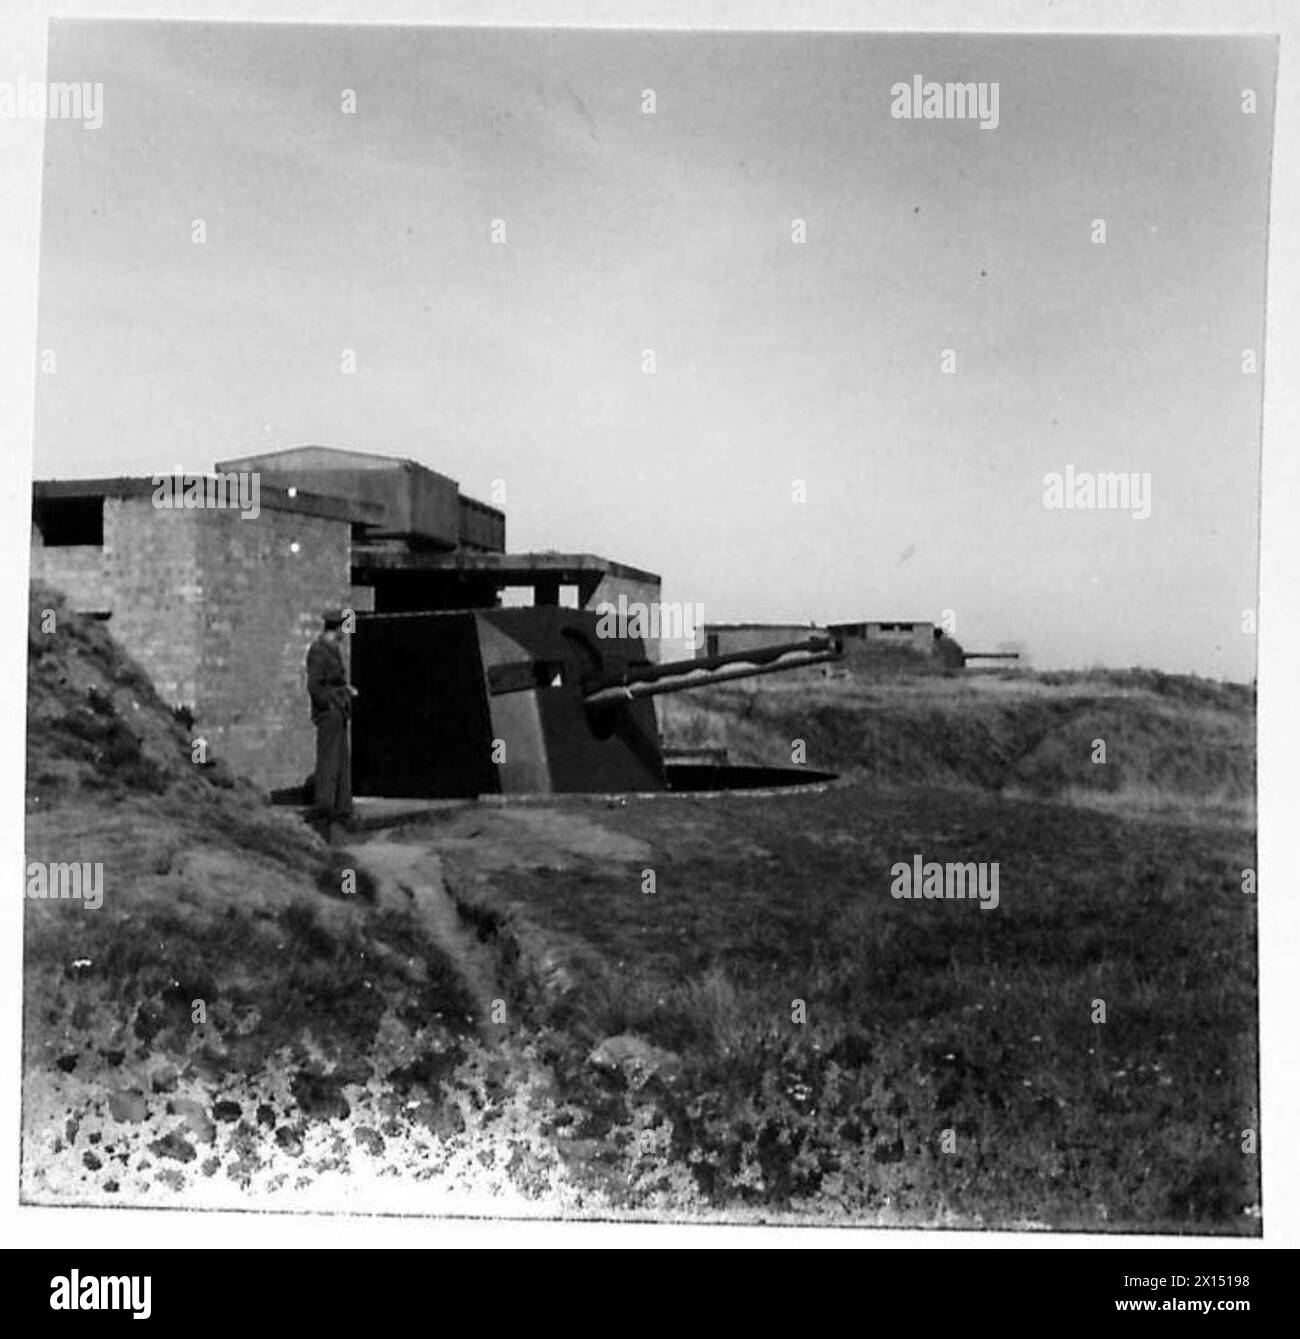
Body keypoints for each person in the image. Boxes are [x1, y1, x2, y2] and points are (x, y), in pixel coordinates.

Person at [306, 608, 357, 835]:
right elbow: (315, 686)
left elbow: (334, 681)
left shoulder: (333, 650)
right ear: (336, 628)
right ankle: (325, 808)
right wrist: (332, 703)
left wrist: (345, 691)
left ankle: (342, 807)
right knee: (329, 760)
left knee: (341, 760)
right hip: (329, 714)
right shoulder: (319, 651)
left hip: (339, 712)